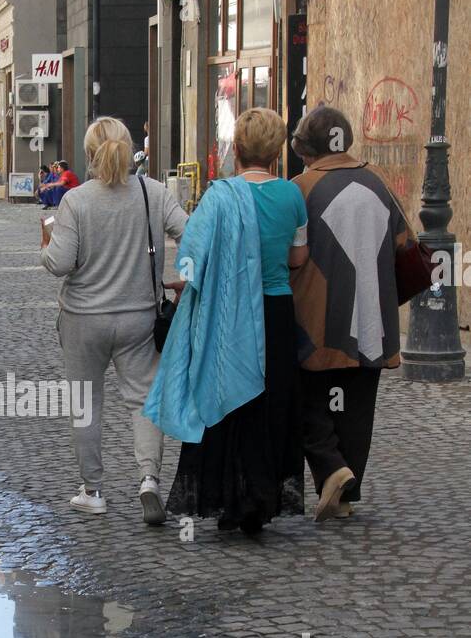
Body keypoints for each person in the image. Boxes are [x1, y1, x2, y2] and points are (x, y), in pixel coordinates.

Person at [145, 108, 309, 536]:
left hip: (229, 313)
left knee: (227, 404)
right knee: (269, 406)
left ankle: (226, 500)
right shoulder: (292, 197)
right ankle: (259, 499)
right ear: (276, 152)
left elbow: (191, 262)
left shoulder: (219, 197)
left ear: (236, 149)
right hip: (275, 311)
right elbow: (299, 258)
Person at [41, 116, 188, 525]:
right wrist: (187, 278)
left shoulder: (76, 201)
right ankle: (148, 481)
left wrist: (45, 243)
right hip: (140, 316)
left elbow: (60, 263)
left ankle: (92, 491)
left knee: (86, 404)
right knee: (144, 401)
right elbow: (190, 233)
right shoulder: (152, 192)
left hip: (83, 318)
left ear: (89, 154)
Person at [290, 105, 414, 521]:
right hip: (372, 321)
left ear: (307, 148)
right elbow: (407, 248)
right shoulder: (379, 184)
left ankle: (331, 468)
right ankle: (344, 494)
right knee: (354, 408)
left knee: (307, 400)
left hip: (317, 319)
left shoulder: (301, 189)